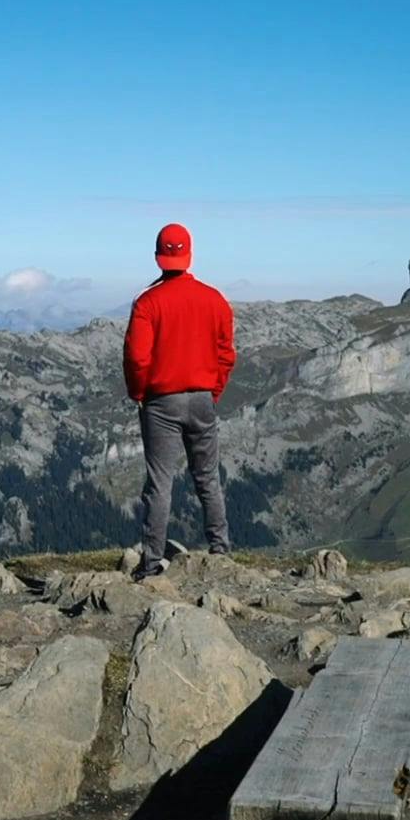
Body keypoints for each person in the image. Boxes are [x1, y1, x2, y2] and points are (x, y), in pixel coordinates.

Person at [122, 222, 237, 580]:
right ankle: (220, 551)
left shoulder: (147, 303)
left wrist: (139, 393)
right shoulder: (215, 299)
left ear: (159, 256)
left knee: (159, 484)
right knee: (207, 478)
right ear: (189, 254)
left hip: (161, 403)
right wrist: (212, 391)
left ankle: (152, 563)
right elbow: (226, 354)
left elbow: (137, 357)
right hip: (202, 400)